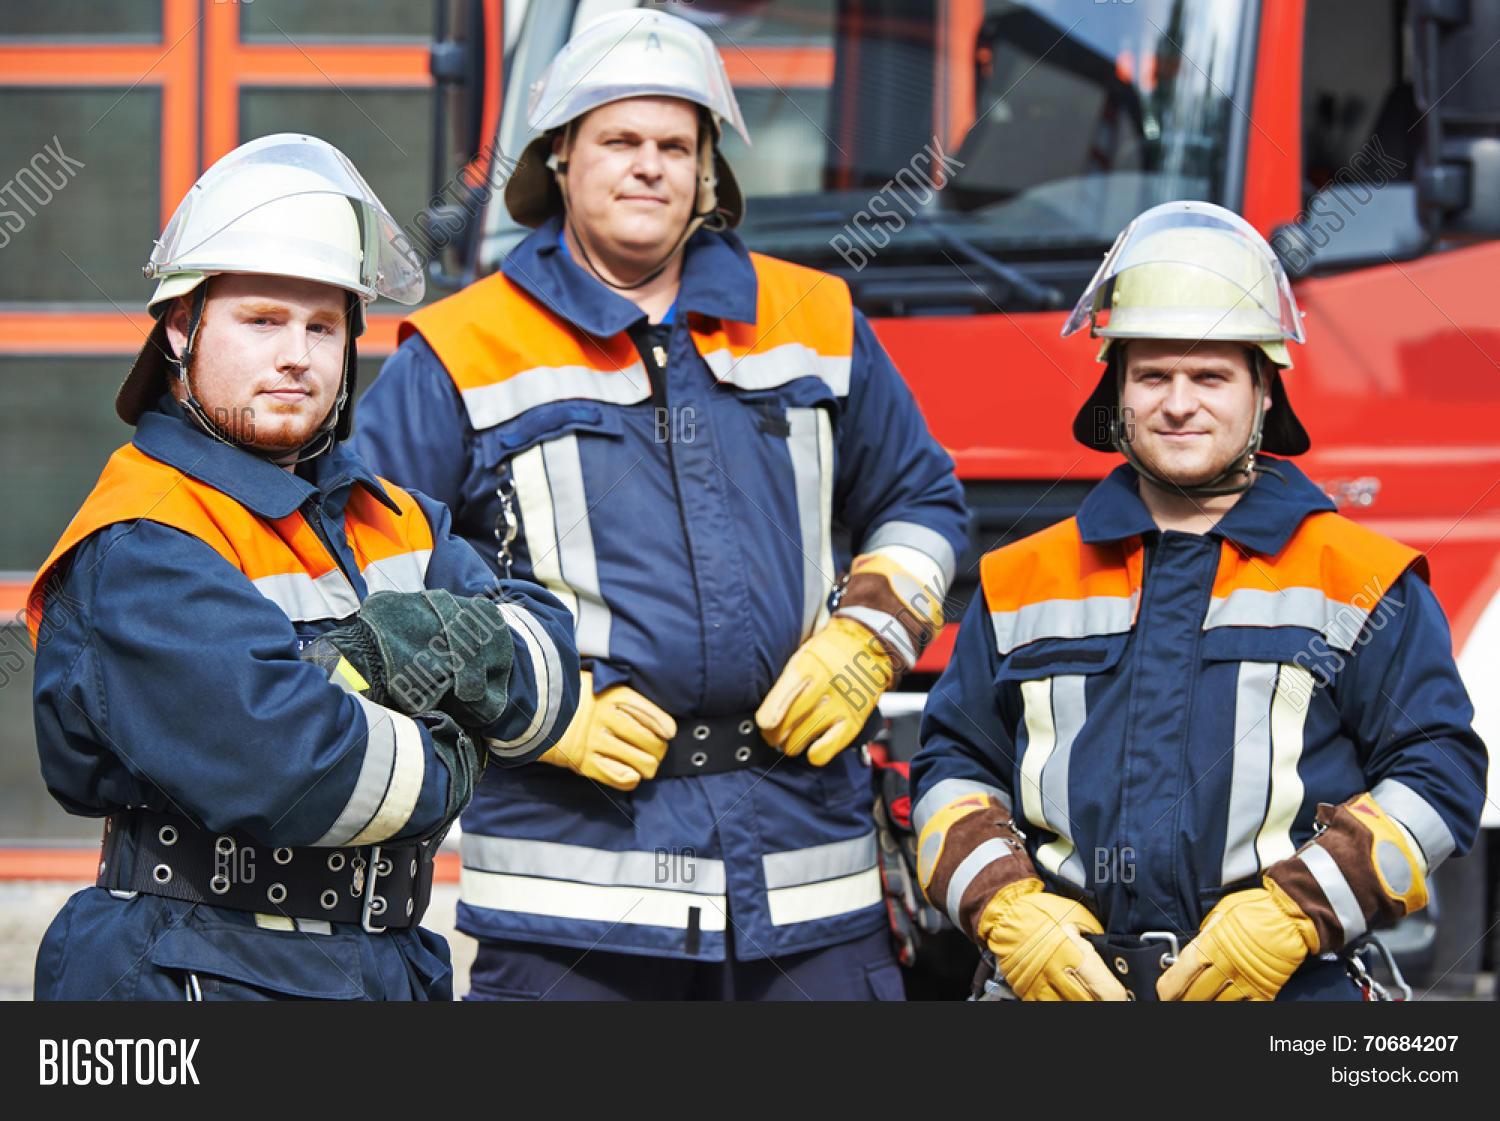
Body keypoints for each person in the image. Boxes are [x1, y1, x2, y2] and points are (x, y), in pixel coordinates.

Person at [354, 10, 968, 1000]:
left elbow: (921, 499)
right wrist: (531, 708)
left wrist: (870, 634)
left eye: (674, 144)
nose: (649, 166)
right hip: (578, 903)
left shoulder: (815, 317)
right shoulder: (461, 349)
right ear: (559, 155)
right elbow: (366, 568)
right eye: (620, 140)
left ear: (707, 168)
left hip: (811, 881)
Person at [26, 133, 579, 1001]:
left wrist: (373, 666)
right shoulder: (145, 538)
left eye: (323, 325)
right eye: (262, 321)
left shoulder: (392, 516)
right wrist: (462, 735)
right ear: (180, 327)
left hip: (383, 965)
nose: (298, 355)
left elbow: (549, 671)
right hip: (196, 972)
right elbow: (301, 770)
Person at [909, 200, 1487, 1001]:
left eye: (1211, 375)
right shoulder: (1021, 579)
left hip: (1283, 989)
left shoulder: (1361, 577)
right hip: (1060, 988)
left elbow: (1437, 772)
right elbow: (951, 764)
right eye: (1152, 376)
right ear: (1118, 395)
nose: (1179, 403)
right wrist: (1008, 908)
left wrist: (1296, 912)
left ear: (1262, 391)